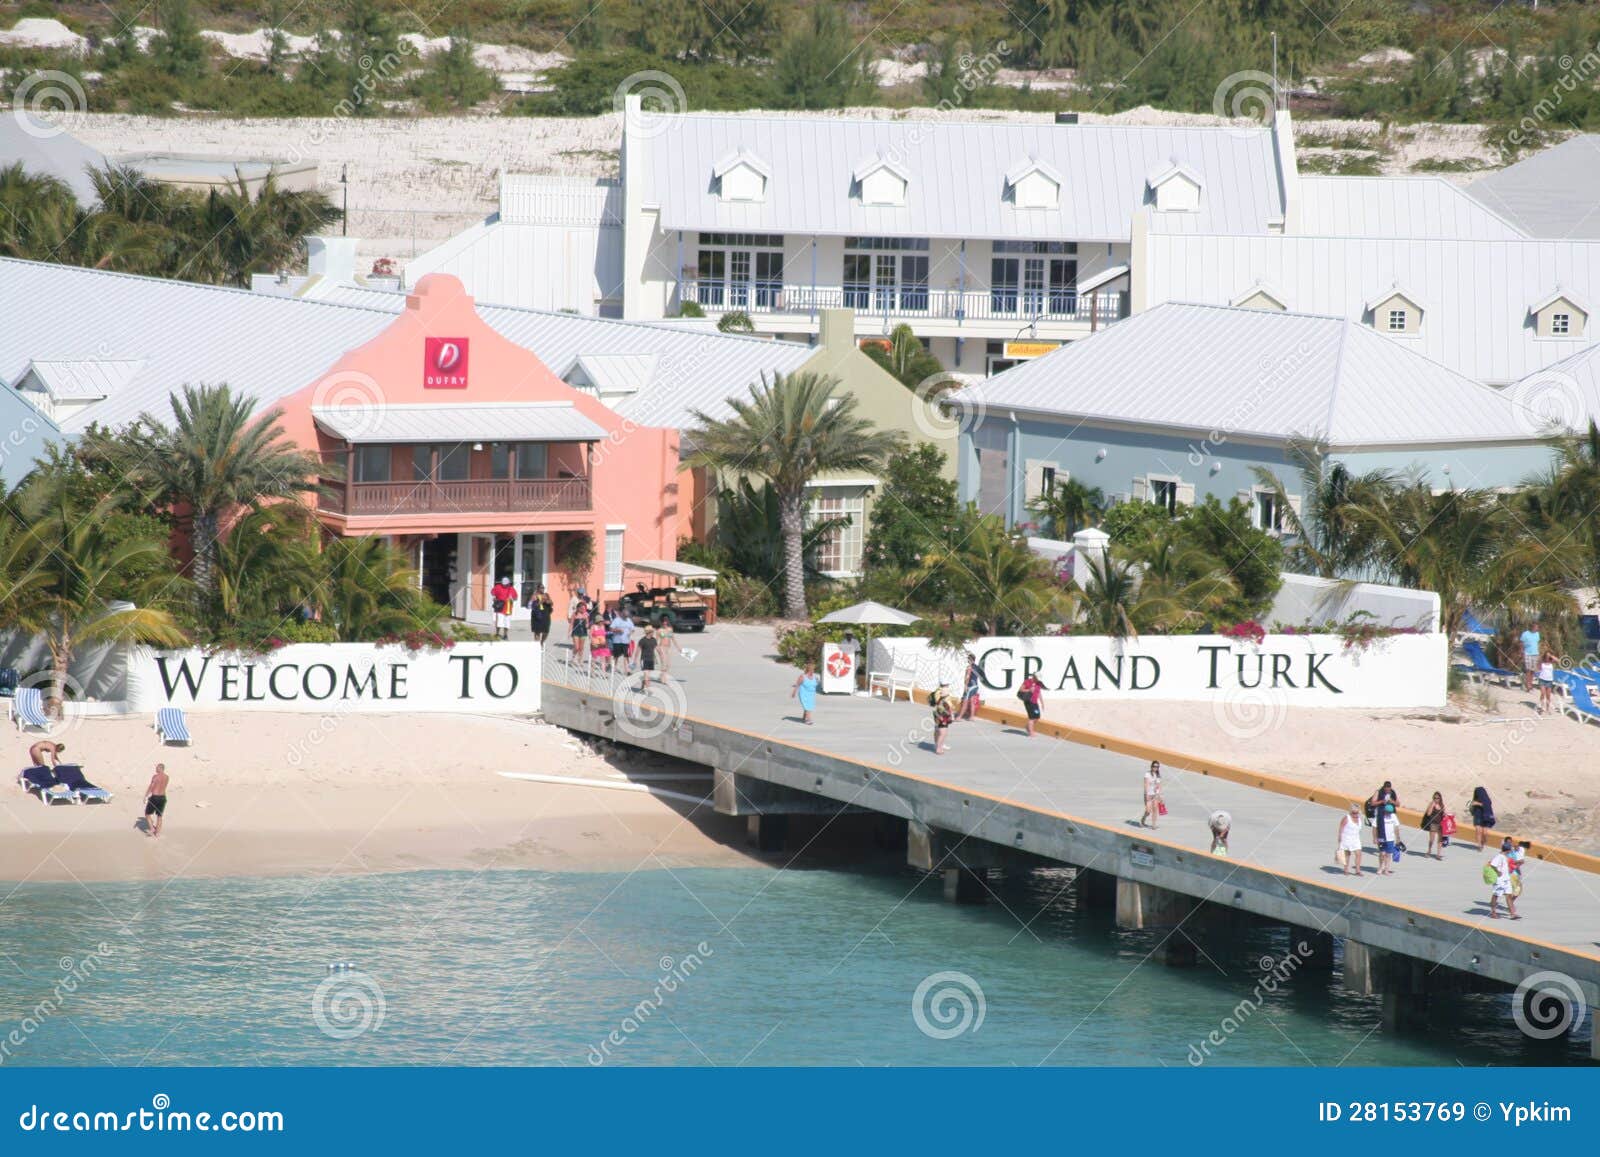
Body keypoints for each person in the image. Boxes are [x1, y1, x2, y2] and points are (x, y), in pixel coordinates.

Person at [1488, 837, 1519, 919]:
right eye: (1510, 849)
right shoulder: (1499, 856)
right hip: (1500, 880)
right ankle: (1493, 912)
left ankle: (1513, 914)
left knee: (1508, 895)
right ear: (1507, 850)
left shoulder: (1505, 857)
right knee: (1496, 895)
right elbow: (1492, 864)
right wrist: (1498, 872)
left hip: (1506, 879)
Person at [142, 763, 169, 839]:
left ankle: (152, 829)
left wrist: (146, 796)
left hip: (155, 797)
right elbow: (163, 786)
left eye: (157, 768)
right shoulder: (167, 777)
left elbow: (151, 787)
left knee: (147, 814)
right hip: (163, 797)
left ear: (160, 768)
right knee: (159, 816)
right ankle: (157, 833)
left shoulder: (155, 776)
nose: (155, 769)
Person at [1336, 803, 1364, 875]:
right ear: (1350, 811)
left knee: (1359, 854)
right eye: (1353, 812)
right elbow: (1341, 828)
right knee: (1347, 854)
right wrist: (1339, 838)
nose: (1355, 814)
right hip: (1347, 838)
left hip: (1356, 839)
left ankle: (1358, 870)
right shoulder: (1346, 818)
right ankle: (1346, 870)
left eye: (1356, 812)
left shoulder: (1359, 819)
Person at [930, 684, 956, 755]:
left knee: (937, 731)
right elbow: (950, 709)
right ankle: (939, 748)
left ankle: (936, 745)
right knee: (943, 733)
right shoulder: (947, 700)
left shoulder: (938, 698)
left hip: (937, 716)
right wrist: (952, 717)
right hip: (943, 718)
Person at [1375, 802, 1400, 875]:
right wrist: (1375, 838)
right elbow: (1375, 827)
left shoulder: (1393, 816)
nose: (1389, 813)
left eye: (1390, 812)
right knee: (1382, 853)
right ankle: (1380, 867)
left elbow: (1396, 827)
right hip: (1381, 838)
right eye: (1388, 812)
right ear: (1385, 811)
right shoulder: (1380, 816)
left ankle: (1386, 869)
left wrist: (1398, 838)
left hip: (1391, 839)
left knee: (1389, 854)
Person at [1420, 791, 1447, 859]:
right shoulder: (1431, 804)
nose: (1436, 799)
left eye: (1437, 798)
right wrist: (1432, 805)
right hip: (1433, 824)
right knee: (1432, 839)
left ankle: (1438, 854)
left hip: (1440, 824)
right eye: (1434, 798)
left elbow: (1444, 814)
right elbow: (1428, 813)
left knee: (1440, 839)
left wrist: (1445, 814)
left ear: (1440, 798)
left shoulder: (1442, 805)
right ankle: (1429, 851)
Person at [1017, 672, 1044, 738]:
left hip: (1035, 702)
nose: (1038, 680)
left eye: (1038, 679)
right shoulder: (1027, 681)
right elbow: (1021, 690)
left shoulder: (1039, 683)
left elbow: (1039, 692)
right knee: (1032, 718)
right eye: (1037, 678)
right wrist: (1029, 690)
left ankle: (1027, 727)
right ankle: (1031, 733)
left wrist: (1042, 702)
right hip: (1028, 701)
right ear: (1033, 676)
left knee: (1037, 717)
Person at [1469, 785, 1496, 851]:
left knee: (1485, 833)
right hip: (1477, 816)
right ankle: (1479, 846)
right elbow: (1471, 806)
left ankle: (1482, 843)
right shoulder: (1474, 799)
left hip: (1486, 817)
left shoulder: (1487, 799)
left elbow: (1487, 805)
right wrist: (1473, 805)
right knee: (1478, 831)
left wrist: (1478, 804)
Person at [490, 576, 517, 641]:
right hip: (500, 607)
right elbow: (492, 592)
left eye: (506, 584)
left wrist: (512, 598)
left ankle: (505, 635)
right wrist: (494, 597)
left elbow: (516, 597)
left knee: (507, 622)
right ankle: (497, 633)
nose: (504, 585)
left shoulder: (511, 589)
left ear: (508, 583)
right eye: (503, 584)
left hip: (508, 608)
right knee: (499, 622)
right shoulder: (498, 587)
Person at [608, 608, 633, 673]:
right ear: (622, 614)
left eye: (627, 616)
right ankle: (614, 668)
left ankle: (627, 670)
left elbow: (632, 628)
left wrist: (630, 632)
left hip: (626, 641)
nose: (626, 617)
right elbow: (611, 629)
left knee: (626, 656)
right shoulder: (616, 620)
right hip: (617, 641)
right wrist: (617, 630)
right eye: (625, 616)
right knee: (616, 656)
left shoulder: (629, 620)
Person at [1519, 621, 1541, 693]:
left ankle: (1530, 685)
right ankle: (1528, 686)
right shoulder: (1525, 634)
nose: (1537, 628)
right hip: (1527, 653)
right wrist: (1522, 653)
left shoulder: (1537, 634)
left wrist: (1539, 655)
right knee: (1528, 670)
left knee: (1532, 670)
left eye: (1537, 627)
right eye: (1536, 627)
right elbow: (1521, 644)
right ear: (1532, 627)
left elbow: (1537, 644)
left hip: (1535, 654)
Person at [958, 654, 982, 721]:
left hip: (970, 686)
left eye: (968, 659)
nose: (967, 660)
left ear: (970, 659)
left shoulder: (969, 667)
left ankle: (959, 717)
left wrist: (965, 685)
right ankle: (971, 717)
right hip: (975, 686)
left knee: (965, 701)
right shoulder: (977, 667)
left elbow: (967, 676)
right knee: (972, 701)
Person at [1141, 761, 1163, 829]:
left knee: (1155, 810)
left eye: (1157, 767)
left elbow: (1159, 786)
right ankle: (1143, 819)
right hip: (1148, 794)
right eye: (1154, 766)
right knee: (1148, 811)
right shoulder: (1147, 774)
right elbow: (1146, 784)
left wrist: (1160, 796)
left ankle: (1153, 825)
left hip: (1155, 795)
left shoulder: (1158, 775)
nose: (1155, 768)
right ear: (1151, 766)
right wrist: (1147, 794)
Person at [570, 596, 590, 663]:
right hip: (575, 632)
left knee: (581, 648)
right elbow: (571, 623)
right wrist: (569, 631)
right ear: (578, 608)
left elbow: (587, 624)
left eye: (584, 608)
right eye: (582, 608)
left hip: (583, 632)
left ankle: (580, 660)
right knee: (576, 647)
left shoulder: (586, 614)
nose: (584, 610)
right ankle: (573, 657)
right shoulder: (574, 614)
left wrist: (587, 625)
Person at [1537, 649, 1557, 714]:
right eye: (1546, 656)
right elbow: (1538, 667)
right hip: (1542, 679)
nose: (1547, 657)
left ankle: (1547, 709)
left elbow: (1558, 661)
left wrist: (1552, 656)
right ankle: (1541, 707)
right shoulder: (1541, 662)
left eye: (1548, 656)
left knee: (1548, 695)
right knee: (1543, 693)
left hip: (1549, 680)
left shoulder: (1552, 662)